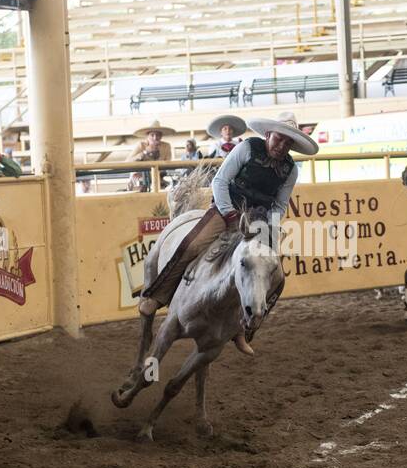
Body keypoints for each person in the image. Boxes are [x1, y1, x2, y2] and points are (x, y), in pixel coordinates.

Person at [137, 117, 317, 355]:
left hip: (258, 221)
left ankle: (242, 329)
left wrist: (268, 226)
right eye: (278, 138)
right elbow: (221, 181)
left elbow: (280, 205)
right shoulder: (246, 148)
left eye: (287, 142)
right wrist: (230, 214)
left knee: (276, 277)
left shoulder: (290, 170)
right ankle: (158, 295)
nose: (282, 145)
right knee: (192, 245)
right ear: (268, 136)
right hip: (225, 211)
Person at [129, 121, 175, 192]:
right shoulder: (141, 145)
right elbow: (128, 161)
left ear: (161, 136)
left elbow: (168, 163)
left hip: (158, 178)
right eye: (152, 135)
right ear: (148, 136)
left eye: (158, 135)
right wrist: (145, 152)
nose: (155, 138)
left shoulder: (166, 146)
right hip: (140, 178)